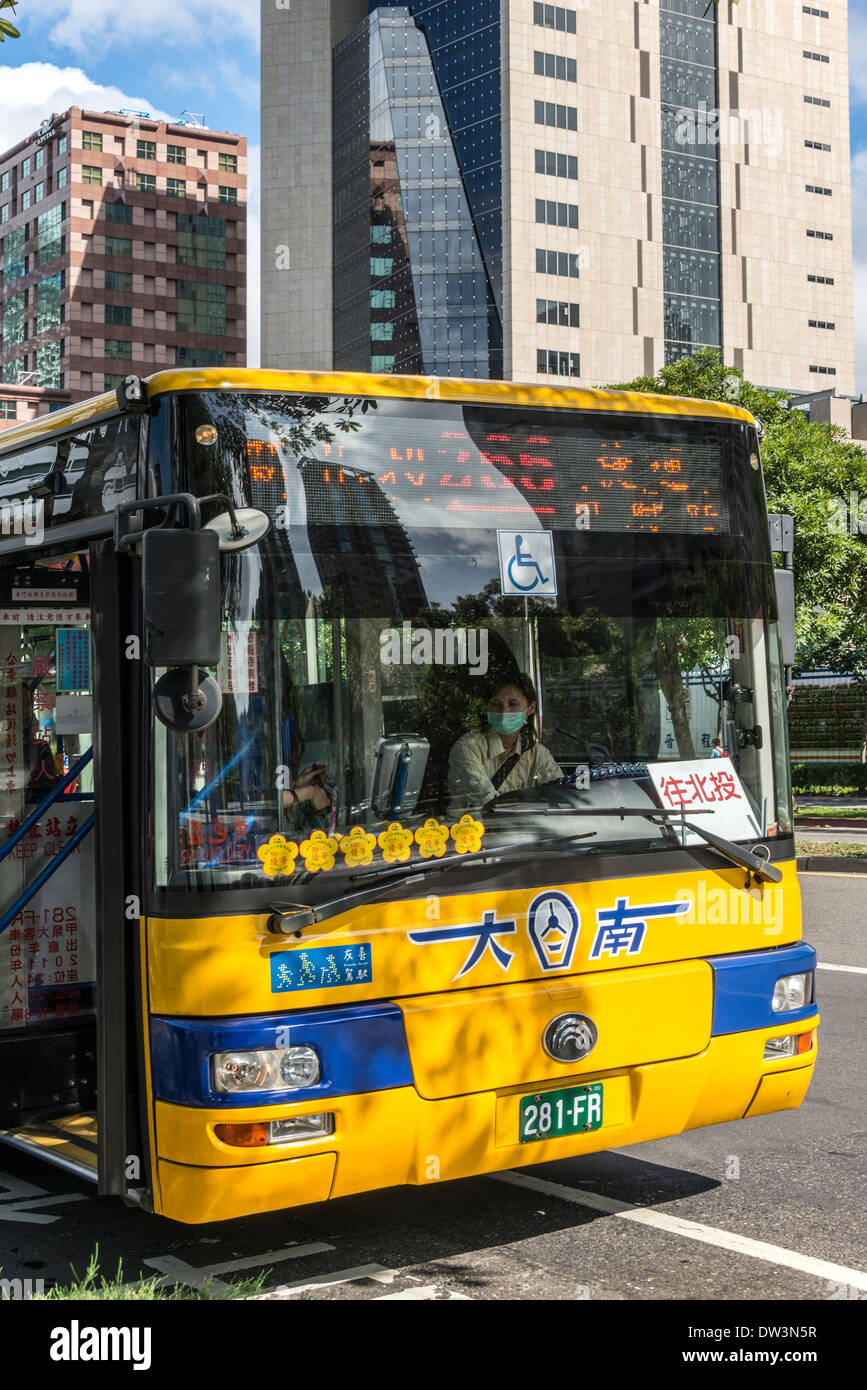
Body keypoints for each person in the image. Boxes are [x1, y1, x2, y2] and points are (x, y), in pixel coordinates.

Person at [448, 674, 563, 810]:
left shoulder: (538, 754)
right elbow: (490, 804)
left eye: (512, 704)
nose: (504, 711)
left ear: (531, 708)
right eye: (496, 704)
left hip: (524, 828)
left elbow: (561, 798)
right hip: (473, 829)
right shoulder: (468, 747)